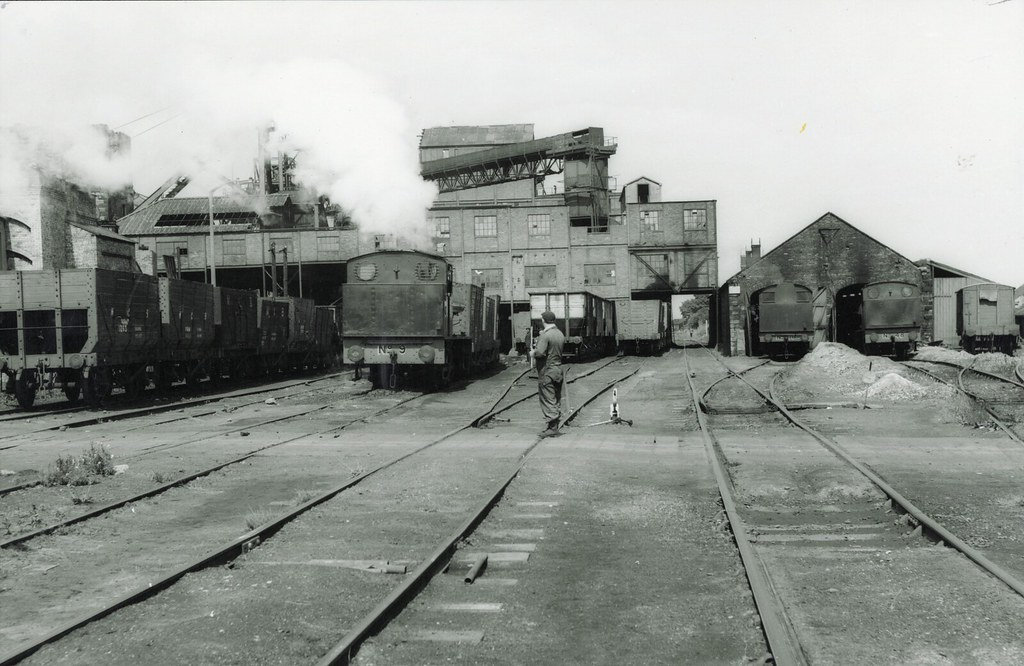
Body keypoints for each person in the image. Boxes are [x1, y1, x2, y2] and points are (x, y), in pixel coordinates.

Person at [531, 310, 565, 437]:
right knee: (556, 397)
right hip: (558, 369)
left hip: (547, 370)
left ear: (544, 320)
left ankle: (552, 427)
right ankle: (555, 424)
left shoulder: (545, 335)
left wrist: (532, 353)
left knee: (547, 398)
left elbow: (540, 353)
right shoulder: (559, 333)